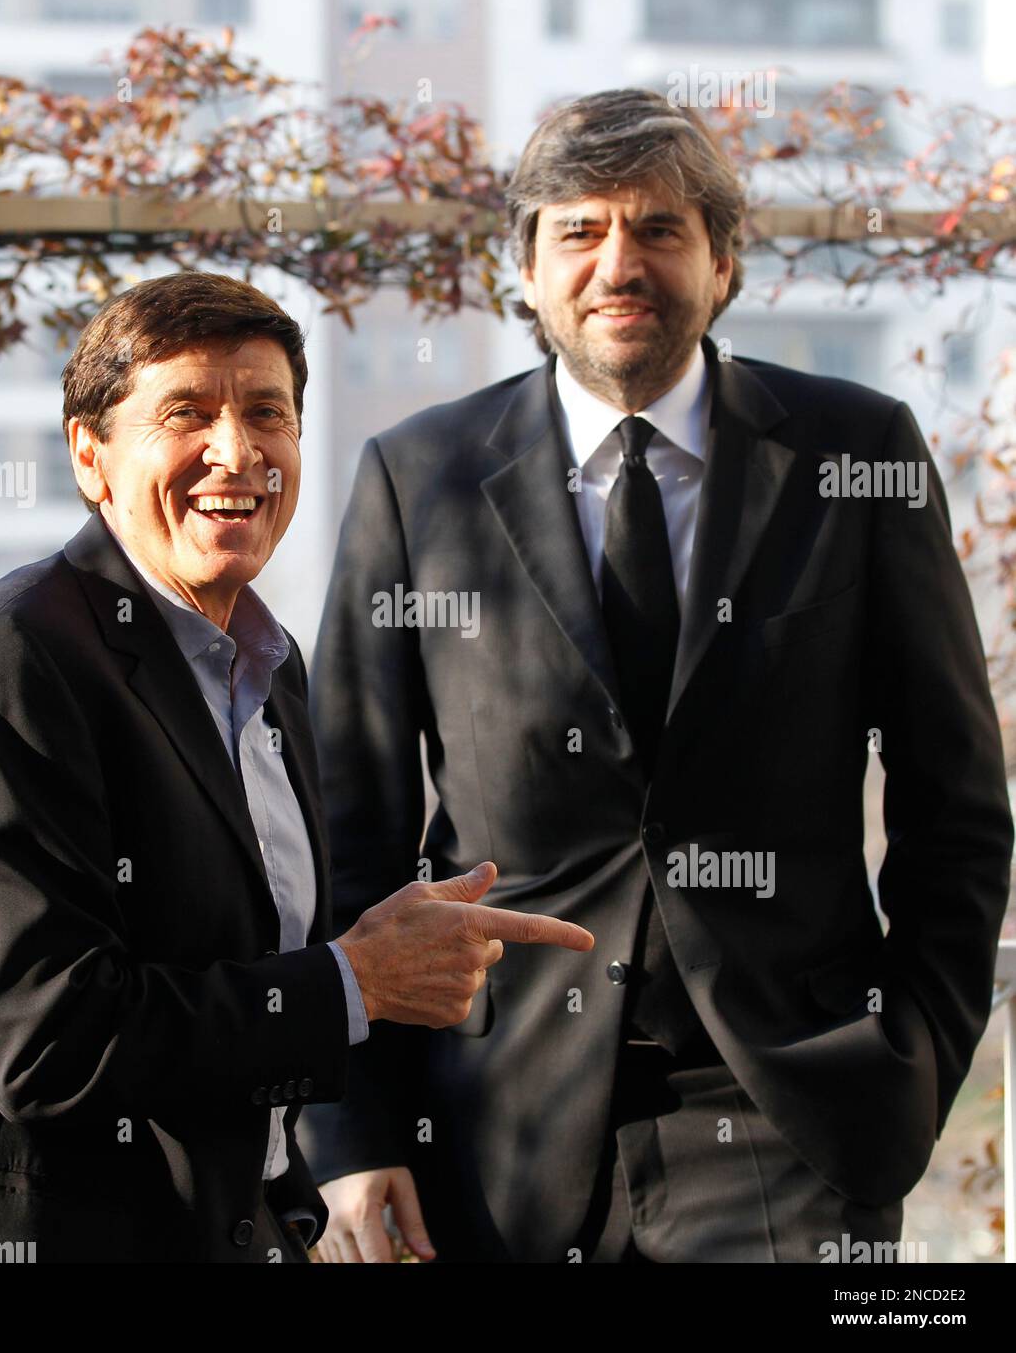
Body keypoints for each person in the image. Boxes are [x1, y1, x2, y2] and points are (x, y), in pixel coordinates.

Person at [300, 90, 1013, 1263]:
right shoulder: (414, 478)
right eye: (578, 231)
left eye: (659, 230)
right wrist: (354, 1133)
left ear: (722, 262)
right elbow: (351, 835)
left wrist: (909, 1067)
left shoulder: (857, 454)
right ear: (525, 269)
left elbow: (959, 804)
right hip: (492, 1136)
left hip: (793, 1129)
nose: (616, 264)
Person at [0, 271, 593, 1264]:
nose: (238, 450)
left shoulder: (273, 666)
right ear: (91, 456)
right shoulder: (15, 654)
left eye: (267, 413)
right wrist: (352, 980)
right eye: (186, 413)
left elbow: (244, 973)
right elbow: (45, 1038)